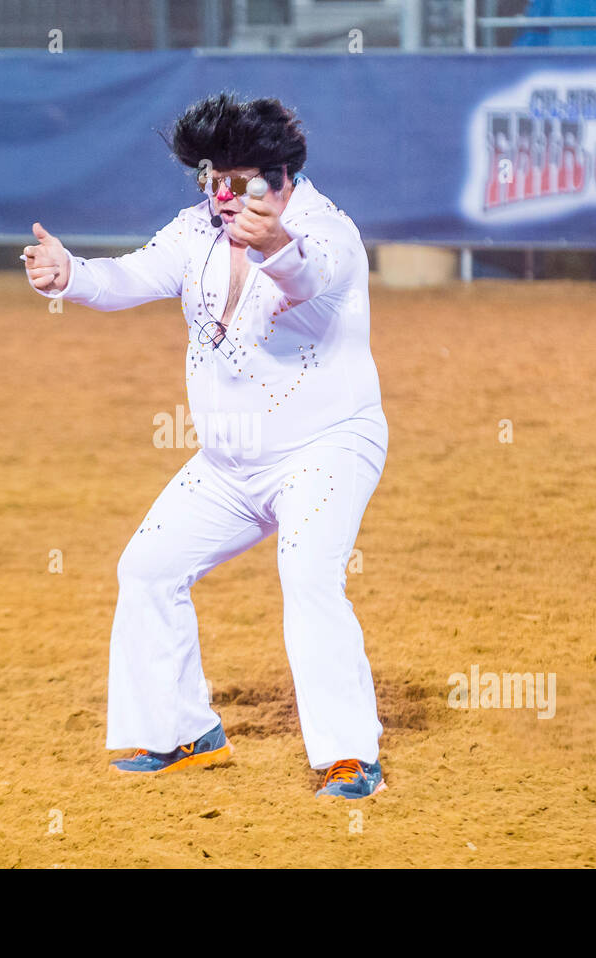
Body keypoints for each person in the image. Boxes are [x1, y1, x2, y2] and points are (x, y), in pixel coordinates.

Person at [22, 93, 390, 799]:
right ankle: (180, 734)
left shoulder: (328, 231)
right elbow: (135, 273)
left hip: (326, 448)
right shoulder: (199, 228)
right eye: (211, 179)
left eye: (240, 181)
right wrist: (72, 276)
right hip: (230, 462)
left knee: (309, 581)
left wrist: (276, 246)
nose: (222, 196)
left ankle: (351, 760)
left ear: (282, 178)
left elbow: (310, 277)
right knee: (147, 569)